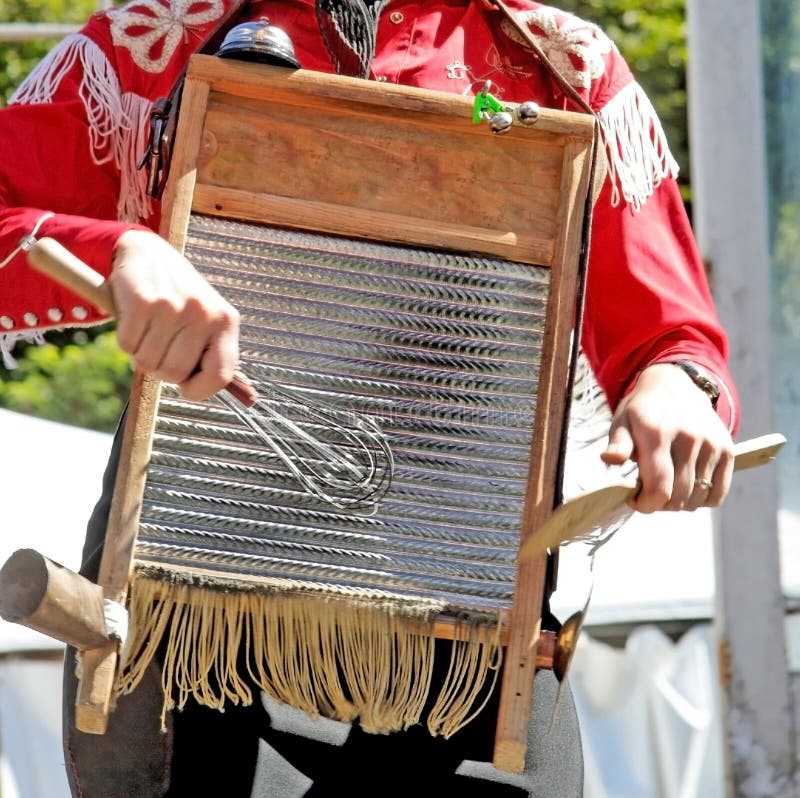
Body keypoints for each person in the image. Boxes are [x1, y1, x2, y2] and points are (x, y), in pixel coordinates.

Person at [0, 1, 740, 796]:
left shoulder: (563, 67)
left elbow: (672, 341)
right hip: (193, 631)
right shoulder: (153, 44)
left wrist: (676, 389)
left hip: (474, 633)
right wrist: (118, 251)